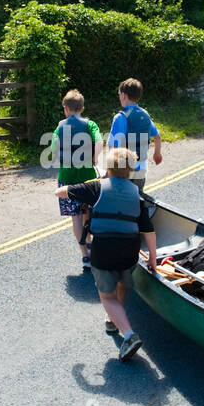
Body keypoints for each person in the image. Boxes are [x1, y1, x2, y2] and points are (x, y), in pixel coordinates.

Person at [55, 147, 158, 361]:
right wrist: (154, 261)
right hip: (130, 250)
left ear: (108, 168)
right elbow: (148, 231)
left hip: (104, 249)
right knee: (121, 281)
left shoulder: (96, 187)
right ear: (130, 170)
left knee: (106, 296)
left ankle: (129, 335)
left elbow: (61, 192)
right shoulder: (136, 195)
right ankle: (113, 321)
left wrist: (97, 179)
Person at [52, 89, 102, 271]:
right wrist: (94, 159)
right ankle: (90, 242)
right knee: (88, 212)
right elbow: (99, 142)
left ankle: (85, 255)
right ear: (82, 108)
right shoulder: (90, 125)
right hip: (88, 177)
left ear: (65, 108)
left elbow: (54, 151)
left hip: (67, 178)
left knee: (75, 218)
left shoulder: (60, 127)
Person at [106, 78, 161, 193]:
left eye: (119, 94)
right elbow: (157, 136)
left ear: (124, 95)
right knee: (137, 200)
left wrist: (109, 170)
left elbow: (113, 146)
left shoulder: (120, 117)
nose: (119, 96)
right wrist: (157, 153)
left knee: (120, 202)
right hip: (141, 168)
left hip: (123, 171)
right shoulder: (145, 114)